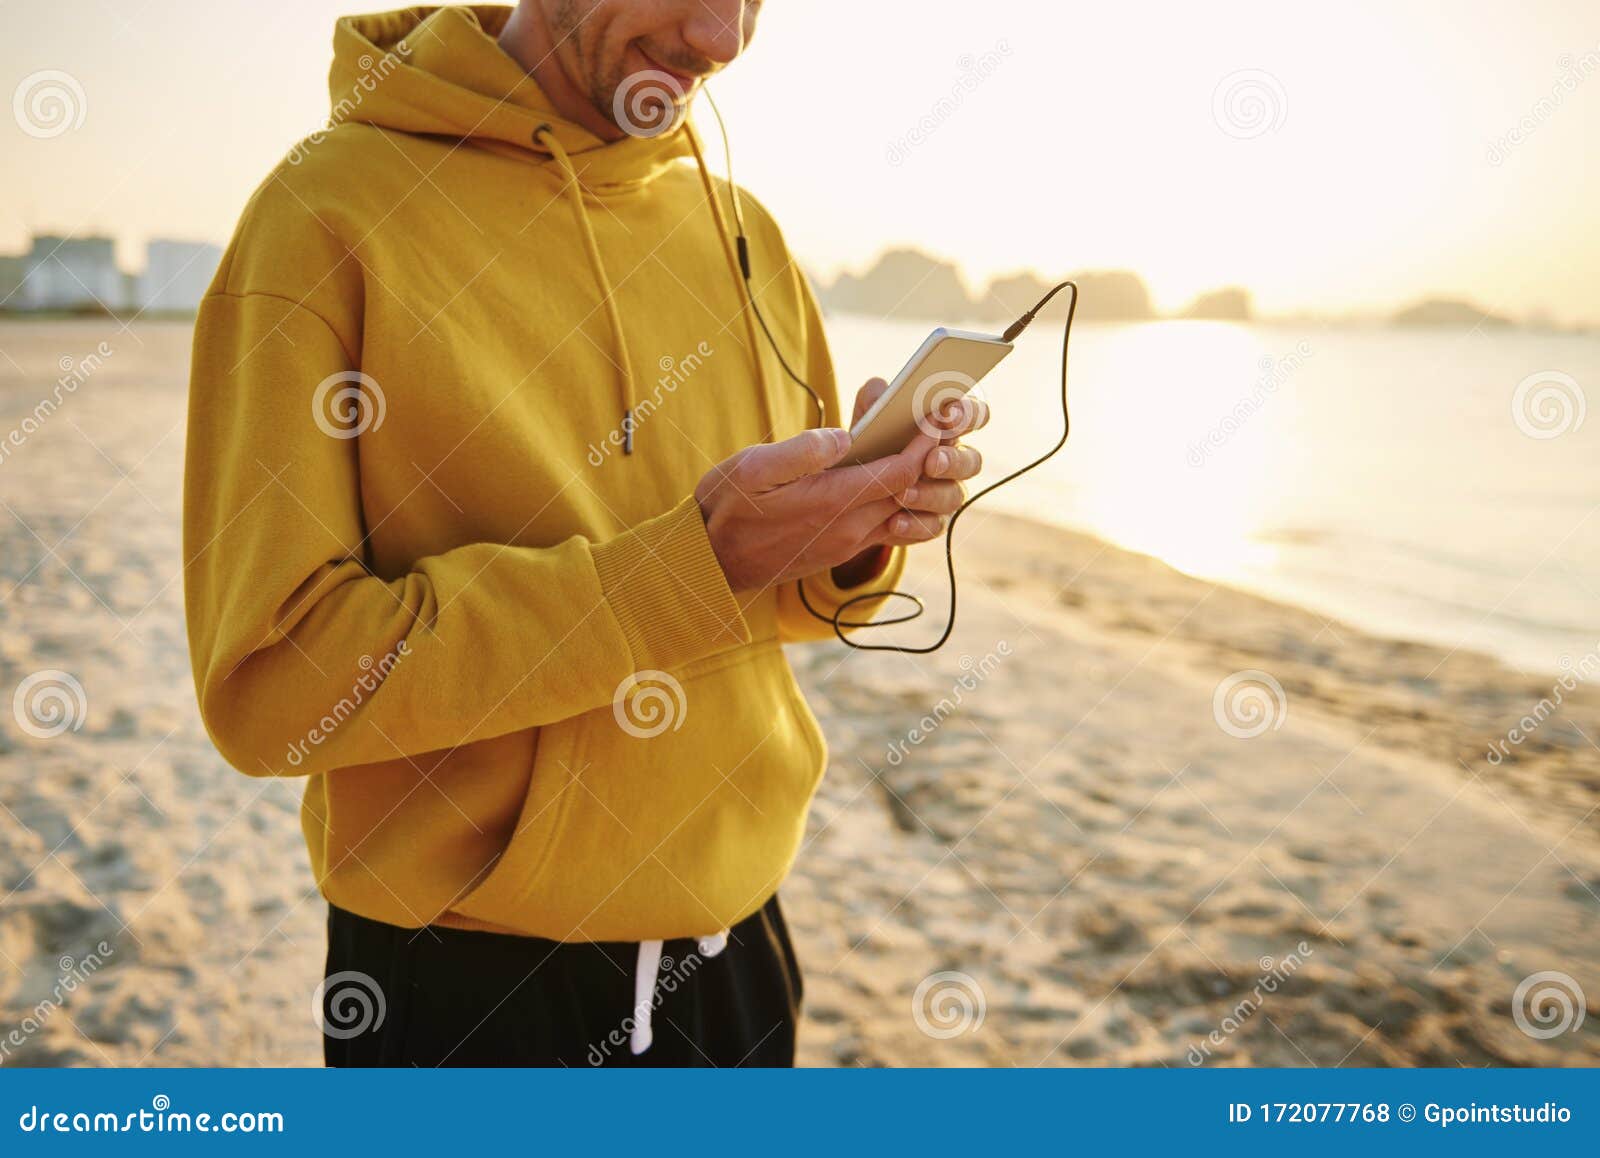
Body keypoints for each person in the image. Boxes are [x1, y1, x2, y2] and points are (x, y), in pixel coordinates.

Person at [183, 0, 986, 1067]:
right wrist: (688, 565)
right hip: (472, 993)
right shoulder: (320, 212)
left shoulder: (741, 232)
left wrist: (858, 532)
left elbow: (785, 601)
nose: (722, 38)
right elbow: (273, 691)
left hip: (742, 955)